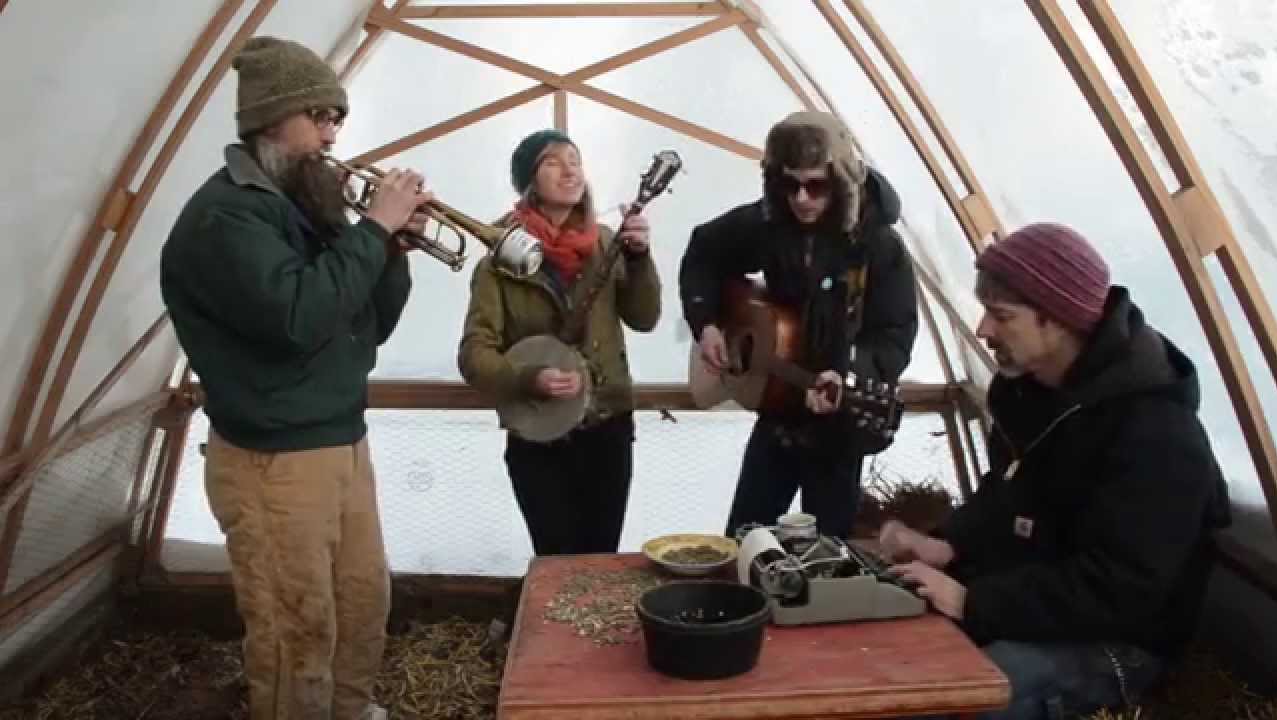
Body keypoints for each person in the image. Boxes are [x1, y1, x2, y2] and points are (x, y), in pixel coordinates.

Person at [160, 36, 432, 720]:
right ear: (269, 120)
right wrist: (371, 232)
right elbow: (296, 318)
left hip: (339, 440)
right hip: (273, 460)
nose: (333, 132)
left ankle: (349, 709)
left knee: (362, 599)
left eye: (337, 116)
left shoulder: (302, 210)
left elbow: (364, 327)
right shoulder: (227, 216)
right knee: (295, 628)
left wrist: (391, 254)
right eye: (318, 115)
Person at [877, 222, 1231, 719]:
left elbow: (1122, 588)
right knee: (885, 656)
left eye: (1002, 315)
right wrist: (949, 542)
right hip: (1031, 603)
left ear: (1060, 321)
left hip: (1118, 641)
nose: (983, 330)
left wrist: (973, 603)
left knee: (961, 698)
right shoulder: (1030, 392)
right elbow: (1008, 491)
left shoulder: (1158, 435)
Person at [679, 110, 918, 541]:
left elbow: (896, 335)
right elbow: (704, 251)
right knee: (745, 542)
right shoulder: (769, 223)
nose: (802, 198)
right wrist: (708, 323)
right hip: (775, 415)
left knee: (826, 557)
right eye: (790, 184)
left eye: (816, 185)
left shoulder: (879, 246)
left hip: (838, 426)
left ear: (842, 180)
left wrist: (852, 372)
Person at [457, 129, 661, 556]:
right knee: (556, 559)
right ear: (529, 182)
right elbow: (474, 353)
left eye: (575, 160)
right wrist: (530, 378)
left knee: (601, 557)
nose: (570, 170)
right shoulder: (499, 258)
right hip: (538, 437)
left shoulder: (607, 242)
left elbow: (644, 318)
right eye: (552, 162)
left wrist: (640, 259)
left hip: (608, 428)